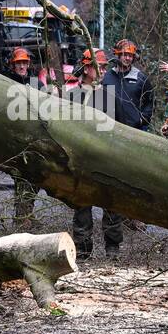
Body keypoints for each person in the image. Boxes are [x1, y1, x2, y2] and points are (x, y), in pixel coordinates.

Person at [67, 47, 121, 260]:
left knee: (111, 201)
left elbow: (119, 127)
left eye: (105, 67)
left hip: (106, 157)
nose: (103, 71)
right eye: (100, 67)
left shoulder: (108, 96)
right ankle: (82, 248)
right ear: (88, 68)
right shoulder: (73, 96)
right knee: (81, 203)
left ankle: (113, 247)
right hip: (81, 157)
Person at [5, 47, 40, 229]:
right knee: (21, 178)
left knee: (35, 179)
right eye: (19, 63)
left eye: (24, 62)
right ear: (13, 64)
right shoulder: (6, 82)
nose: (22, 66)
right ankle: (21, 216)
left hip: (34, 137)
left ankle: (28, 211)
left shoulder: (36, 84)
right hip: (16, 138)